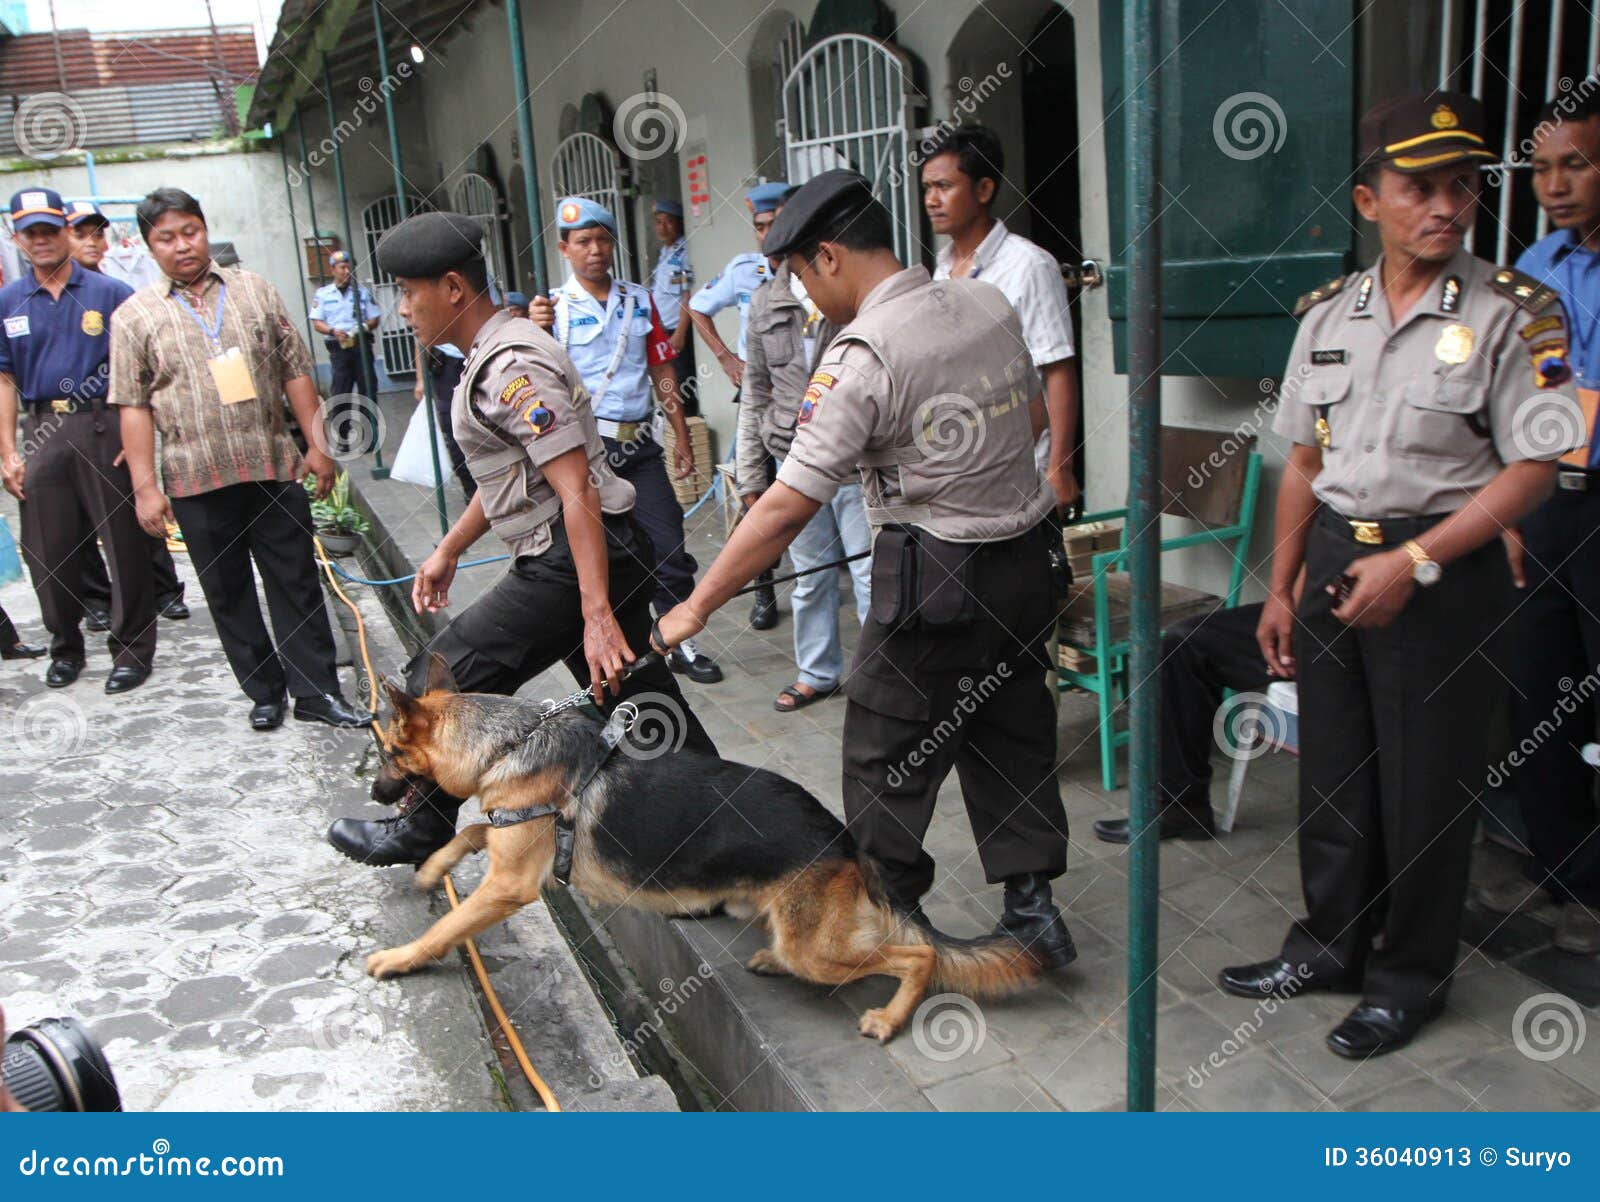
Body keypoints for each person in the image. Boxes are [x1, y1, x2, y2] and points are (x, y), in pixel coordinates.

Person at [1222, 93, 1578, 1059]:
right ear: (1368, 200)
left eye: (1461, 186)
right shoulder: (1329, 315)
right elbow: (1301, 459)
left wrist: (1416, 559)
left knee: (1427, 787)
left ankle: (1409, 976)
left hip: (1440, 571)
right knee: (1335, 775)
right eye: (1420, 187)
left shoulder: (1511, 315)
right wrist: (1285, 585)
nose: (1447, 206)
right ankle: (1330, 945)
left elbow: (1537, 465)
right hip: (1339, 556)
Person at [654, 170, 1076, 968]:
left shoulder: (864, 354)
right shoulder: (985, 302)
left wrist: (697, 606)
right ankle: (1034, 910)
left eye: (804, 276)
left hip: (939, 579)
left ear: (829, 257)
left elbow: (786, 505)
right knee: (1010, 728)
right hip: (1027, 563)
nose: (809, 294)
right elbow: (1030, 417)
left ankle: (895, 915)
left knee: (883, 745)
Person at [325, 211, 716, 867]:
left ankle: (418, 828)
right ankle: (722, 833)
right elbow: (514, 475)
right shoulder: (491, 352)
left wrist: (592, 614)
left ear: (452, 288)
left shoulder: (512, 363)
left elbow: (576, 491)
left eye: (409, 291)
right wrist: (449, 547)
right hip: (589, 552)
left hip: (573, 560)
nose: (402, 308)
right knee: (636, 699)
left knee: (439, 682)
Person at [109, 187, 370, 731]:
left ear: (205, 229)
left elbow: (297, 370)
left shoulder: (255, 292)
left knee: (295, 580)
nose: (182, 245)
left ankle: (318, 691)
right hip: (194, 480)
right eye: (167, 238)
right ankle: (264, 692)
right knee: (227, 591)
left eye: (190, 231)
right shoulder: (134, 317)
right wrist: (145, 487)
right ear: (149, 247)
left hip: (272, 467)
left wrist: (319, 447)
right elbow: (133, 407)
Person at [1480, 92, 1600, 955]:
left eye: (1577, 165)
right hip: (1547, 502)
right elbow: (1514, 388)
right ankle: (1569, 874)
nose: (1554, 184)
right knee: (1542, 692)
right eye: (1543, 167)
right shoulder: (1536, 261)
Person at [538, 196, 722, 684]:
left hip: (638, 444)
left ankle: (680, 640)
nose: (595, 250)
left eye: (603, 240)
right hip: (585, 448)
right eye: (584, 242)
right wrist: (534, 327)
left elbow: (662, 367)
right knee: (594, 549)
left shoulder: (637, 299)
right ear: (565, 248)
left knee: (668, 545)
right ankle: (607, 643)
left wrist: (680, 431)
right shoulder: (552, 309)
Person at [0, 186, 156, 693]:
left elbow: (144, 370)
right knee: (47, 549)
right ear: (16, 238)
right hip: (41, 429)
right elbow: (3, 381)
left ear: (68, 231)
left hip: (104, 423)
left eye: (50, 228)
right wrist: (8, 452)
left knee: (125, 543)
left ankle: (131, 650)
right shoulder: (6, 302)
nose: (42, 239)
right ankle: (65, 648)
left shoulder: (109, 294)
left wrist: (139, 442)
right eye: (31, 232)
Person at [737, 187, 871, 711]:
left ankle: (879, 678)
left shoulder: (848, 287)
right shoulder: (766, 301)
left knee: (869, 576)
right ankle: (818, 672)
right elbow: (756, 391)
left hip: (858, 464)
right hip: (793, 462)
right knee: (810, 576)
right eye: (764, 226)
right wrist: (751, 476)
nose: (772, 235)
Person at [924, 124, 1081, 510]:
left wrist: (1060, 466)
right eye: (927, 188)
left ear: (984, 190)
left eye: (944, 186)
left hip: (1019, 465)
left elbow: (1057, 366)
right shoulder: (940, 270)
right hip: (960, 462)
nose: (931, 199)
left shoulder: (1028, 266)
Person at [65, 198, 190, 627]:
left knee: (139, 503)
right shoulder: (36, 298)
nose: (92, 241)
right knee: (77, 516)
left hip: (115, 414)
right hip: (61, 421)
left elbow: (143, 371)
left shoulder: (118, 295)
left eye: (97, 232)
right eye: (81, 232)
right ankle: (98, 599)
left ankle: (164, 589)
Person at [688, 182, 787, 625]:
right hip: (758, 397)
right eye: (760, 226)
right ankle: (763, 589)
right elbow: (697, 307)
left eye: (774, 223)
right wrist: (726, 358)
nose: (767, 234)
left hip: (803, 395)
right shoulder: (744, 270)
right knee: (756, 494)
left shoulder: (812, 269)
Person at [310, 250, 381, 402]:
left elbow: (374, 319)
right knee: (341, 392)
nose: (348, 271)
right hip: (338, 347)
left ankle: (370, 425)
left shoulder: (362, 293)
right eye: (343, 267)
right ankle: (342, 426)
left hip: (361, 345)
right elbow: (317, 323)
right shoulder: (323, 294)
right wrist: (333, 331)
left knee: (368, 389)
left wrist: (361, 328)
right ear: (332, 270)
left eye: (351, 268)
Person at [411, 337, 475, 498]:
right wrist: (420, 378)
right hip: (448, 365)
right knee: (453, 429)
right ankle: (470, 489)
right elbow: (421, 337)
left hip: (479, 355)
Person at [649, 199, 697, 412]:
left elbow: (687, 296)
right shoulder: (665, 253)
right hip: (663, 329)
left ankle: (687, 425)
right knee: (669, 381)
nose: (663, 227)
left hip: (676, 331)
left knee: (682, 381)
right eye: (659, 222)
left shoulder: (682, 253)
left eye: (669, 222)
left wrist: (679, 333)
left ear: (679, 223)